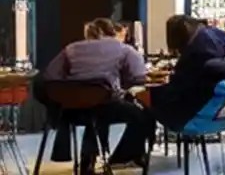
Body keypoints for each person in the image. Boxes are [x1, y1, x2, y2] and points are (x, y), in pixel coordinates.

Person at [43, 17, 152, 170]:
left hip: (72, 111)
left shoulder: (71, 49)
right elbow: (139, 77)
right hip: (106, 106)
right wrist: (122, 84)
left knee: (92, 112)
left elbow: (50, 76)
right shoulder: (124, 49)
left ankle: (88, 161)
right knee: (143, 116)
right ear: (112, 32)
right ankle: (123, 157)